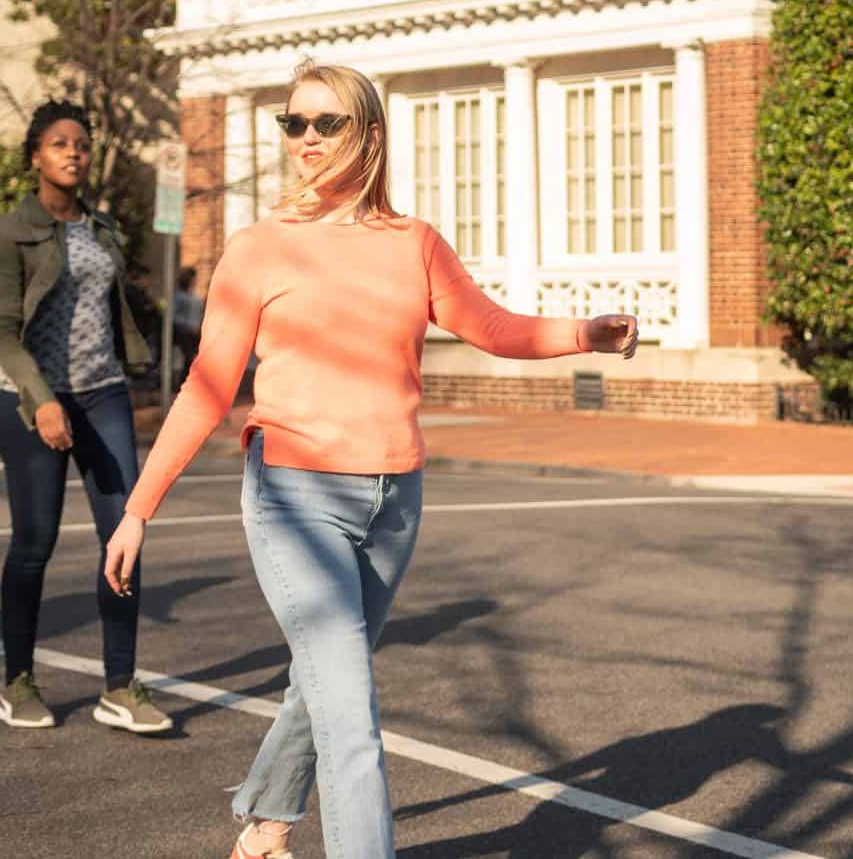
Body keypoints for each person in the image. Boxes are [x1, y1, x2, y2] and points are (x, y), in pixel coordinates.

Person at [103, 59, 640, 859]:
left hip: (394, 498)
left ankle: (265, 827)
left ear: (371, 134)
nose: (307, 139)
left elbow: (490, 326)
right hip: (293, 497)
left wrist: (581, 334)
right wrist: (138, 510)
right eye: (294, 123)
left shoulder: (414, 243)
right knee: (352, 716)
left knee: (319, 685)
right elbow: (208, 389)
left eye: (327, 123)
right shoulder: (257, 250)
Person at [0, 100, 171, 735]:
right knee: (35, 542)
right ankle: (18, 681)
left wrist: (134, 364)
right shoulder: (12, 232)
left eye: (82, 144)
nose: (73, 152)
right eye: (59, 143)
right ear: (36, 156)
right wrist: (43, 401)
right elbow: (3, 335)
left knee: (124, 533)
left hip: (103, 393)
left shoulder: (104, 231)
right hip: (29, 397)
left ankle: (120, 686)